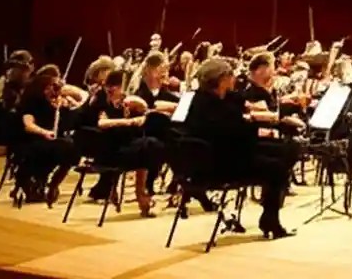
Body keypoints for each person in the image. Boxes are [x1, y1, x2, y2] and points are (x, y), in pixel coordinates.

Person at [183, 58, 295, 239]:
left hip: (218, 156)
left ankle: (269, 209)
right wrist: (254, 126)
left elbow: (238, 120)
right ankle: (270, 219)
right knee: (278, 168)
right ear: (222, 79)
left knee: (281, 151)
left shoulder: (207, 98)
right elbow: (237, 136)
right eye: (231, 75)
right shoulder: (215, 106)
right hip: (220, 165)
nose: (234, 79)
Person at [77, 70, 163, 216]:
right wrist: (128, 121)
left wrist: (141, 111)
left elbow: (144, 112)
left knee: (150, 147)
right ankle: (143, 194)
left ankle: (142, 193)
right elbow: (102, 123)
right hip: (109, 152)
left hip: (123, 147)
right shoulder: (101, 101)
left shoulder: (124, 103)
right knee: (150, 147)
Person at [15, 67, 80, 205]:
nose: (53, 90)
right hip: (32, 140)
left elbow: (78, 109)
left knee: (72, 148)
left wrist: (68, 104)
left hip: (51, 141)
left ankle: (53, 184)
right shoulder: (32, 101)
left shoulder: (57, 102)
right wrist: (45, 132)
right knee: (66, 148)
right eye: (51, 86)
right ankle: (30, 180)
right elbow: (29, 125)